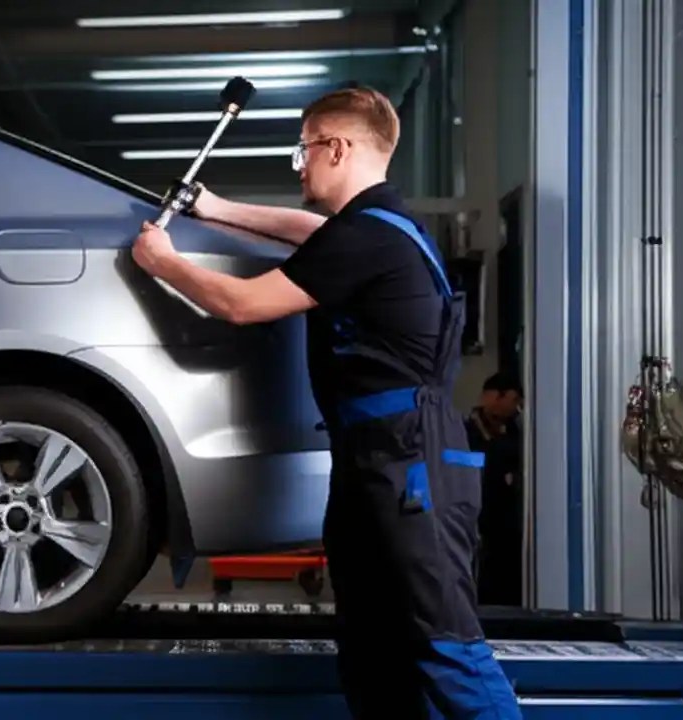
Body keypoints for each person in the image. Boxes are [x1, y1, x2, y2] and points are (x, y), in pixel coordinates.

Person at [131, 87, 522, 719]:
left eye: (303, 150)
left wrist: (164, 263)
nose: (301, 164)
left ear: (336, 148)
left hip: (408, 468)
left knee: (444, 645)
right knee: (373, 654)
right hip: (378, 464)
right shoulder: (382, 229)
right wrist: (219, 207)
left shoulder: (369, 238)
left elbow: (243, 305)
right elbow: (310, 230)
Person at [465, 372, 525, 607]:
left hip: (510, 524)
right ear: (494, 397)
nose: (516, 408)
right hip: (481, 521)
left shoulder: (516, 431)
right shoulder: (466, 432)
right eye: (514, 401)